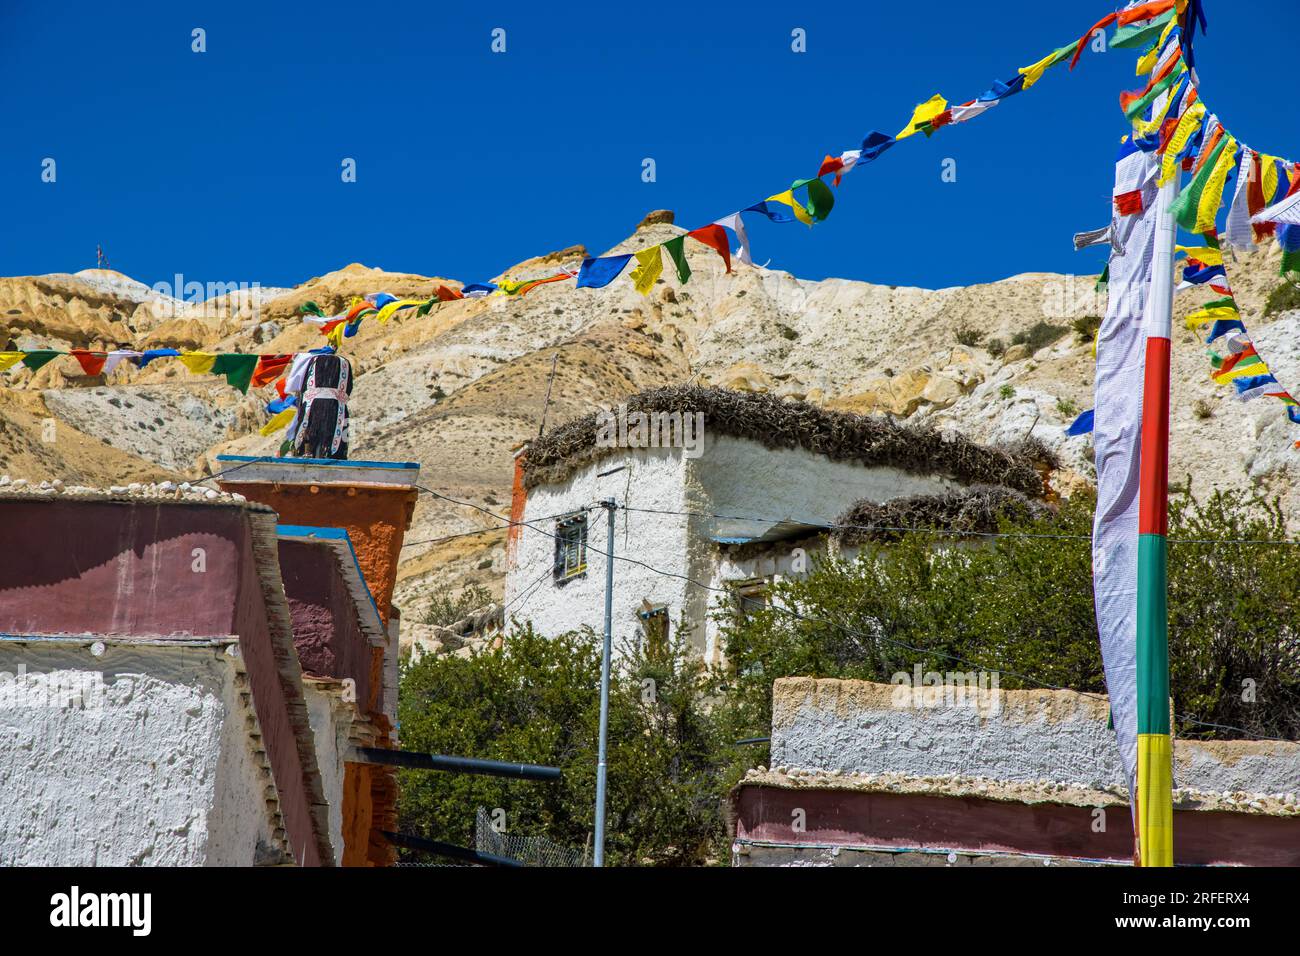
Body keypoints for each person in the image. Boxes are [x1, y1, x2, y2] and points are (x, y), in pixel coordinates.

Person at [282, 348, 353, 459]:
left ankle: (305, 450)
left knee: (307, 428)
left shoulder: (310, 362)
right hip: (337, 408)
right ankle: (334, 453)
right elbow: (348, 388)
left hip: (312, 406)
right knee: (336, 436)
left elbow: (302, 387)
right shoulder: (344, 363)